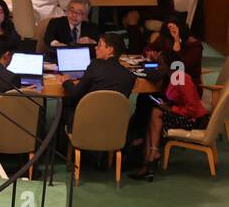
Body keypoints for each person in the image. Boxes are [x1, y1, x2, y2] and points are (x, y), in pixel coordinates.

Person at [130, 48, 209, 181]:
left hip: (194, 119)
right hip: (182, 114)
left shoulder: (182, 78)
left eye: (160, 64)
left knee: (155, 114)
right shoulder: (171, 77)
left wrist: (171, 109)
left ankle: (151, 157)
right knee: (153, 115)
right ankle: (150, 158)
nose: (158, 67)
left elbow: (193, 108)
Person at [61, 33, 134, 127]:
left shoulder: (94, 67)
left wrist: (66, 81)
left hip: (87, 123)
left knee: (66, 102)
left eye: (99, 45)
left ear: (110, 50)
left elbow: (75, 94)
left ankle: (60, 141)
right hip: (113, 126)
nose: (95, 48)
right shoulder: (129, 76)